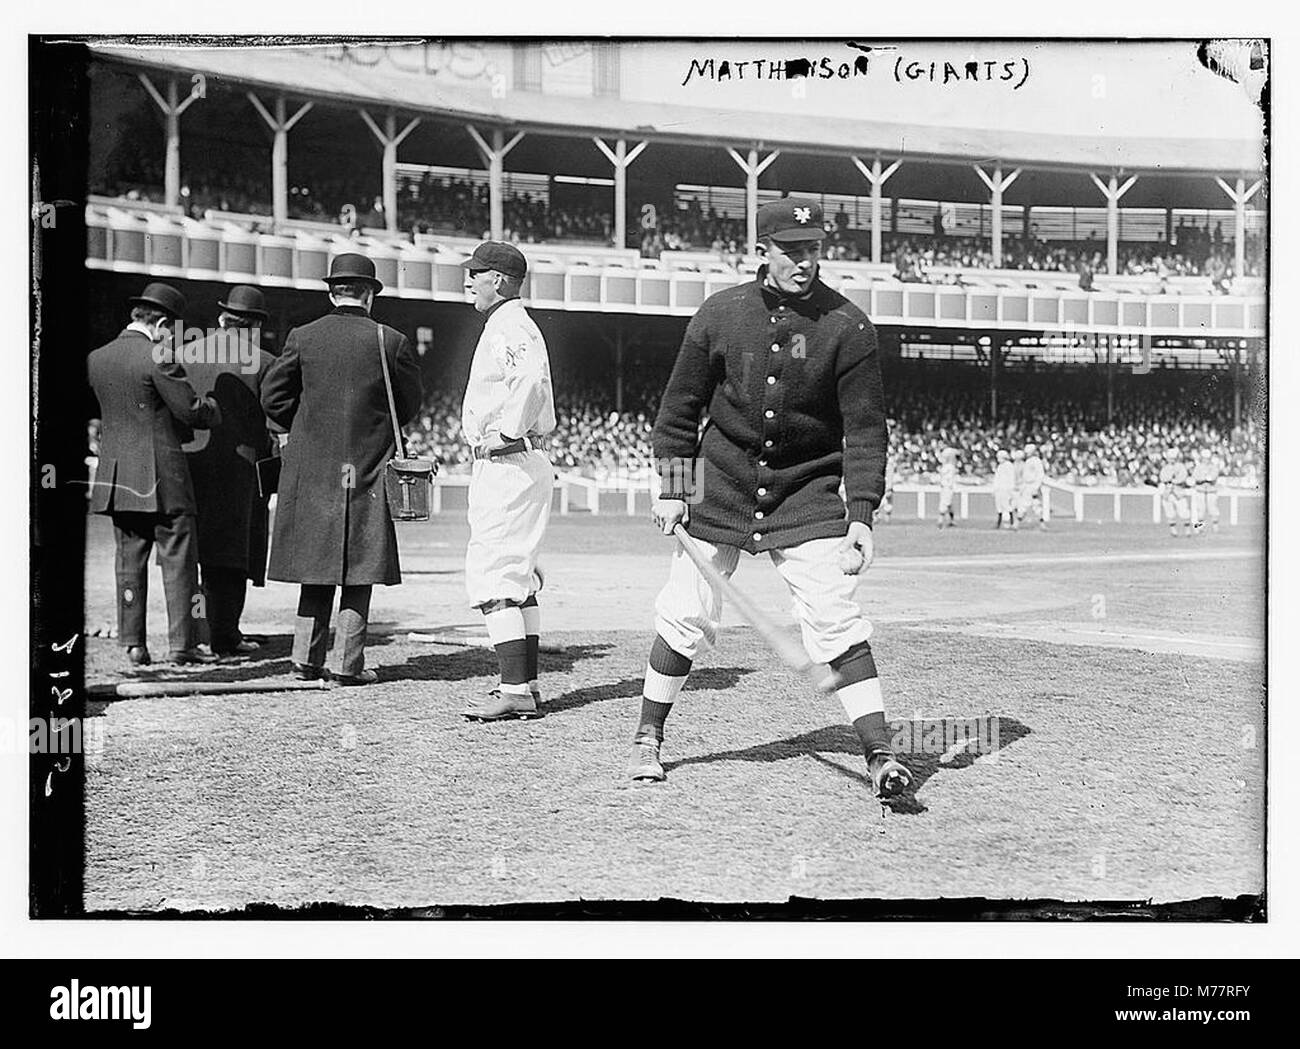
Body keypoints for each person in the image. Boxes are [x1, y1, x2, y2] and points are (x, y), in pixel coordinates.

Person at [627, 197, 913, 799]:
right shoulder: (720, 313)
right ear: (763, 250)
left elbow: (865, 430)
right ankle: (648, 737)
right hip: (719, 485)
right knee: (684, 612)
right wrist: (675, 490)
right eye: (791, 251)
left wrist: (861, 514)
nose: (804, 262)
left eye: (813, 250)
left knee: (836, 618)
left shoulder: (849, 326)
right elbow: (679, 411)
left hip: (806, 493)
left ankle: (881, 754)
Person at [261, 253, 423, 684]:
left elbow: (272, 398)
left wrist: (308, 422)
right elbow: (408, 405)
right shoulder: (390, 341)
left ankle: (303, 662)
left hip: (313, 466)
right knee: (360, 565)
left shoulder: (303, 337)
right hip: (366, 464)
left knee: (316, 563)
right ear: (369, 295)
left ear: (332, 291)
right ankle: (348, 666)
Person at [87, 282, 223, 666]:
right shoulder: (159, 356)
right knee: (180, 564)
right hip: (164, 479)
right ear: (162, 322)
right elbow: (191, 410)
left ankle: (133, 643)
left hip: (117, 481)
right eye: (172, 328)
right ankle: (185, 645)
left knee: (129, 561)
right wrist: (214, 406)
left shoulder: (98, 358)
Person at [458, 242, 557, 722]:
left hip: (509, 460)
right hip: (523, 460)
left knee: (494, 571)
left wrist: (504, 434)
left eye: (473, 273)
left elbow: (532, 380)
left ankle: (515, 688)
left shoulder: (509, 323)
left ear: (497, 279)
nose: (467, 281)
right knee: (517, 575)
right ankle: (526, 685)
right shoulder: (511, 322)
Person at [181, 285, 276, 656]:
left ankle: (196, 632)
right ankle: (226, 634)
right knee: (232, 558)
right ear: (253, 324)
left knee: (192, 556)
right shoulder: (264, 361)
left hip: (191, 465)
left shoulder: (183, 353)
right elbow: (273, 420)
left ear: (222, 318)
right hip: (241, 471)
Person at [1158, 446, 1192, 538]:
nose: (1171, 460)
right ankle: (1173, 530)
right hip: (1168, 493)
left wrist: (1174, 481)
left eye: (1173, 458)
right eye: (1170, 458)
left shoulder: (1181, 467)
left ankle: (1187, 529)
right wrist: (1169, 480)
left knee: (1184, 511)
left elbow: (1182, 477)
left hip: (1178, 491)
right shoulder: (1165, 468)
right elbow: (1162, 478)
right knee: (1169, 511)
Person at [1191, 448, 1222, 533]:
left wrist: (1205, 478)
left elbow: (1212, 477)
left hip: (1211, 491)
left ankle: (1215, 527)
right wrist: (1205, 478)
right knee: (1200, 510)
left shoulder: (1214, 467)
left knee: (1213, 509)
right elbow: (1196, 477)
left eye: (1207, 458)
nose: (1206, 460)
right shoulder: (1198, 467)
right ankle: (1200, 528)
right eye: (1204, 458)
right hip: (1200, 491)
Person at [1019, 442, 1048, 530]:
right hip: (1027, 486)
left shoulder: (1036, 461)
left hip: (1033, 486)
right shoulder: (1028, 461)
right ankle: (1016, 523)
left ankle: (1042, 524)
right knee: (1023, 505)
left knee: (1036, 505)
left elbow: (1040, 475)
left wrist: (1036, 487)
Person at [992, 449, 1016, 529]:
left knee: (1007, 505)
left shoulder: (1008, 465)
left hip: (1005, 489)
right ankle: (998, 523)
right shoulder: (1000, 466)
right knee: (999, 506)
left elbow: (1011, 478)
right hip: (999, 489)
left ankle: (1012, 522)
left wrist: (1010, 489)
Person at [936, 447, 958, 528]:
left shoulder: (947, 467)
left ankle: (944, 521)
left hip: (947, 487)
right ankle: (945, 521)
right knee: (947, 504)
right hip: (947, 487)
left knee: (946, 504)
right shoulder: (949, 467)